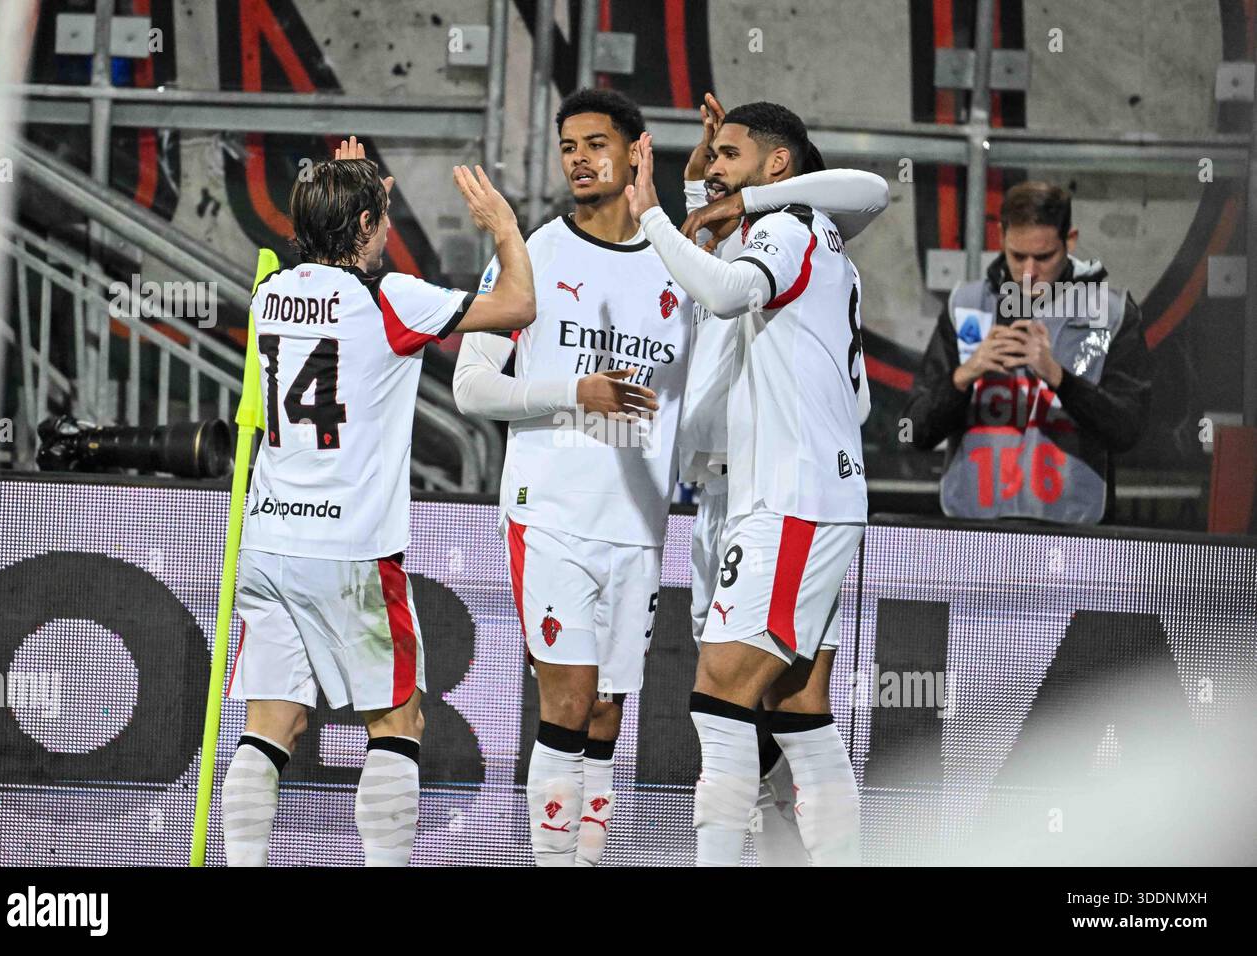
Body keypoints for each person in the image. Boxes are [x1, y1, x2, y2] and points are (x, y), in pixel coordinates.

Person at [221, 138, 535, 866]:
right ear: (364, 225)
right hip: (352, 551)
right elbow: (520, 302)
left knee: (272, 725)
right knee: (398, 723)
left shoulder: (271, 293)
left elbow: (335, 260)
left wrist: (355, 190)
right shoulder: (390, 299)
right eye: (382, 217)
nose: (389, 228)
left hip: (268, 543)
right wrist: (504, 227)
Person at [628, 102, 873, 867]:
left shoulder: (789, 228)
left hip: (787, 497)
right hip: (778, 494)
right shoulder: (804, 241)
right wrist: (704, 182)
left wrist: (652, 219)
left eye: (731, 153)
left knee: (720, 687)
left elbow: (728, 291)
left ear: (777, 166)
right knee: (796, 706)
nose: (714, 166)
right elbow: (859, 399)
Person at [453, 88, 692, 867]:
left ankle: (587, 860)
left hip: (638, 520)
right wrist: (571, 392)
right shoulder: (536, 252)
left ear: (635, 153)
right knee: (565, 698)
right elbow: (471, 385)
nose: (580, 159)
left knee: (605, 712)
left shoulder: (678, 264)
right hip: (548, 509)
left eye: (597, 144)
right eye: (568, 146)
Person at [902, 181, 1151, 523]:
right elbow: (913, 431)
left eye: (1044, 257)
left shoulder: (1111, 314)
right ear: (1001, 235)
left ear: (1070, 240)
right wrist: (964, 376)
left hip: (1073, 533)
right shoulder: (967, 306)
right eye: (1018, 256)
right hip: (974, 530)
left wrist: (1060, 378)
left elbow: (1128, 429)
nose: (1030, 273)